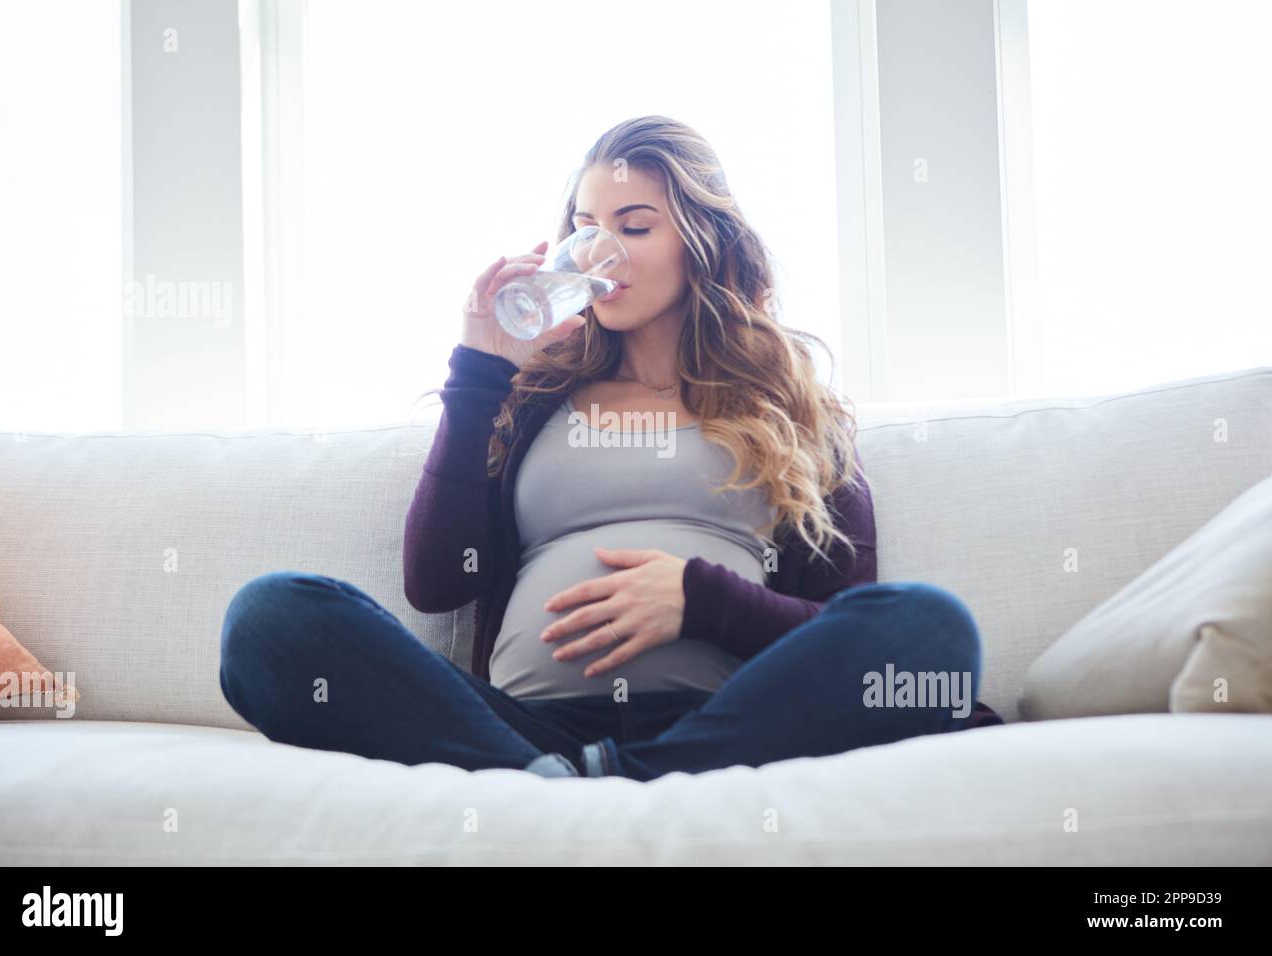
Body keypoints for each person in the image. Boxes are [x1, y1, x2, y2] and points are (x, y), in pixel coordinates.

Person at [219, 115, 1003, 782]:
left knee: (930, 629)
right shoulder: (531, 398)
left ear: (702, 243)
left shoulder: (793, 409)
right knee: (270, 618)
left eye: (633, 227)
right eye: (585, 230)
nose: (600, 253)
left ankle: (585, 791)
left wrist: (699, 598)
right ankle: (592, 785)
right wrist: (480, 373)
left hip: (723, 729)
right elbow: (433, 582)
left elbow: (841, 623)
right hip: (520, 732)